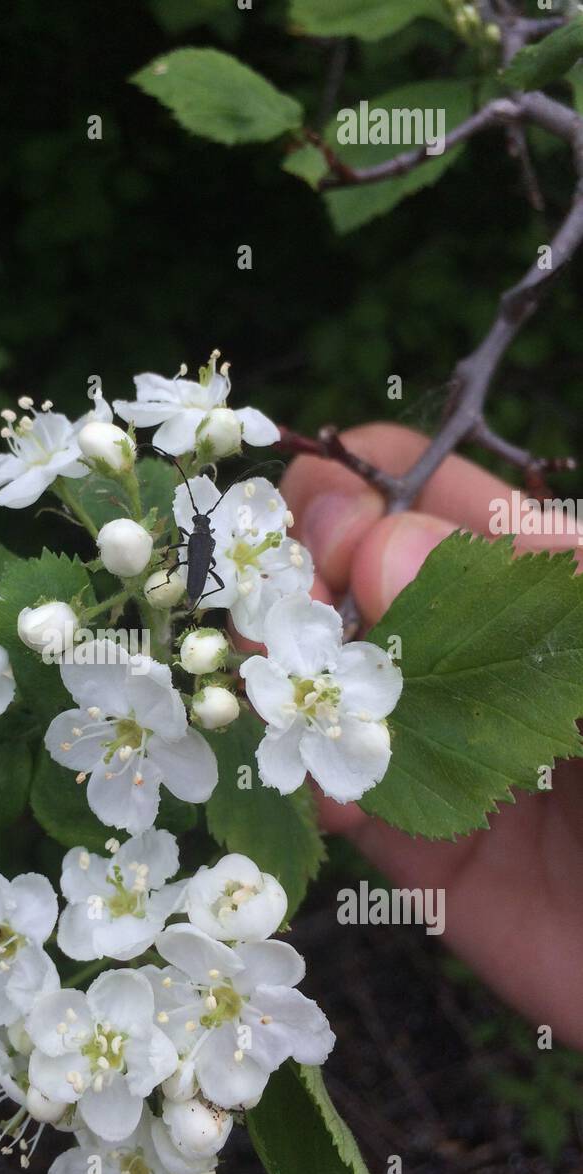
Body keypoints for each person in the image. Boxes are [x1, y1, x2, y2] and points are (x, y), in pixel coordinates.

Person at [234, 423, 583, 1050]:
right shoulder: (294, 691)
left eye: (316, 694)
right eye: (310, 694)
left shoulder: (332, 665)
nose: (313, 694)